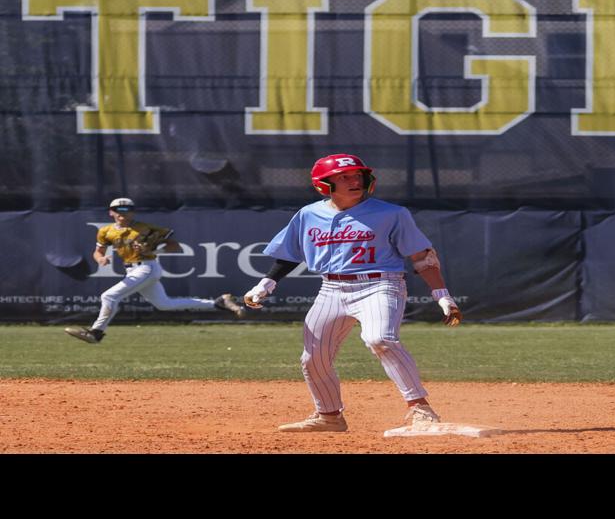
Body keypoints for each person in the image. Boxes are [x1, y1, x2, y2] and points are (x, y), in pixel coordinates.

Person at [242, 153, 461, 433]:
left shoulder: (392, 214)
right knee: (313, 357)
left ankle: (421, 410)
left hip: (380, 284)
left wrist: (442, 295)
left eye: (357, 175)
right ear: (324, 185)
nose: (354, 180)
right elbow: (289, 253)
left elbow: (421, 257)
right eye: (344, 177)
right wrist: (266, 284)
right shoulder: (309, 214)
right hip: (331, 288)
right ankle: (329, 416)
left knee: (379, 338)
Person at [64, 197, 246, 344]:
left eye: (127, 210)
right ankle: (218, 303)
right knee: (164, 304)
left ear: (133, 212)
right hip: (132, 270)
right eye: (118, 210)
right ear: (111, 212)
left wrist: (152, 249)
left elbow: (175, 246)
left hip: (146, 267)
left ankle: (96, 332)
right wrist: (101, 259)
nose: (122, 213)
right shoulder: (105, 231)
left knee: (109, 296)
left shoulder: (145, 228)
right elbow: (98, 251)